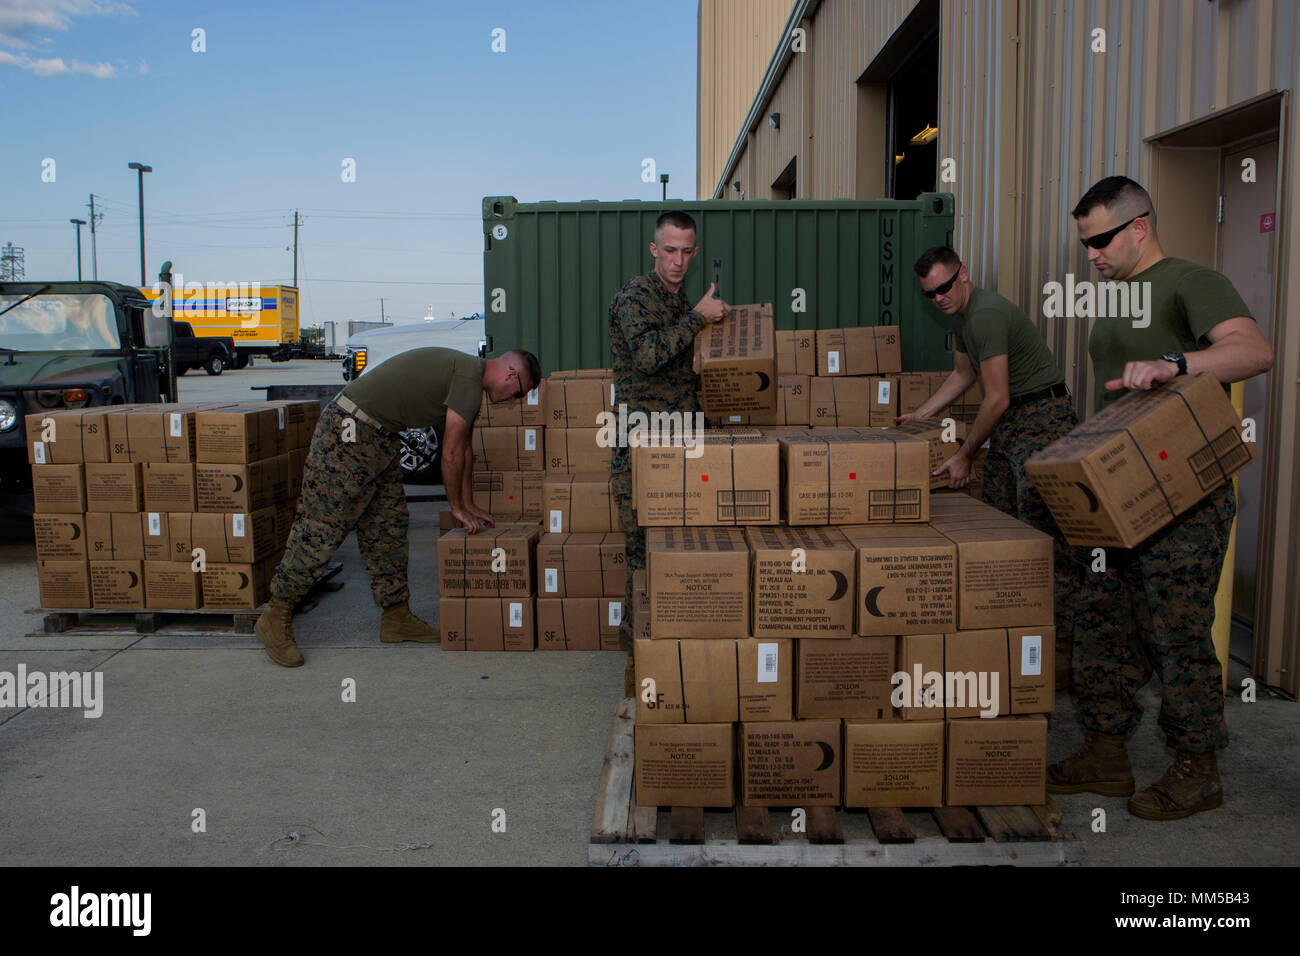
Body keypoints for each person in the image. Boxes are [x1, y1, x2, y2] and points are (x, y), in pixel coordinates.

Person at [1048, 175, 1273, 819]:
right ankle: (1106, 753)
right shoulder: (1119, 295)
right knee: (1102, 627)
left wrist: (1177, 362)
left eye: (1099, 240)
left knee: (1174, 632)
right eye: (1084, 243)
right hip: (1115, 494)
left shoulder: (1189, 281)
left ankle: (1198, 766)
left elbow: (1253, 351)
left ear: (1139, 226)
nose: (1090, 254)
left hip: (1182, 500)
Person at [254, 347, 542, 668]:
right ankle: (276, 613)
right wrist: (456, 507)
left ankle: (396, 617)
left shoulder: (469, 380)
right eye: (520, 393)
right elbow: (449, 453)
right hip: (348, 432)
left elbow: (465, 450)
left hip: (380, 437)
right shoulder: (468, 378)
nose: (514, 400)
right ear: (511, 375)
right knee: (322, 527)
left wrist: (468, 504)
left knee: (387, 526)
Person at [899, 246, 1081, 689]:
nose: (938, 298)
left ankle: (1058, 657)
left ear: (964, 274)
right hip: (1015, 421)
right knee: (1000, 523)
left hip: (1042, 420)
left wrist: (964, 455)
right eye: (929, 294)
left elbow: (995, 397)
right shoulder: (960, 319)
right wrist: (921, 414)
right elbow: (963, 377)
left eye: (944, 287)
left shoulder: (985, 314)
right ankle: (1002, 632)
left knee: (1040, 539)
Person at [609, 210, 729, 696]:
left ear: (694, 253)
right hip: (643, 447)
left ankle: (670, 657)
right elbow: (649, 357)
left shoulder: (678, 301)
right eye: (670, 250)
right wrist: (698, 319)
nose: (678, 260)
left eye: (687, 251)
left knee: (678, 553)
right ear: (654, 249)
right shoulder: (636, 296)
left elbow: (678, 361)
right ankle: (639, 672)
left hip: (683, 442)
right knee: (644, 559)